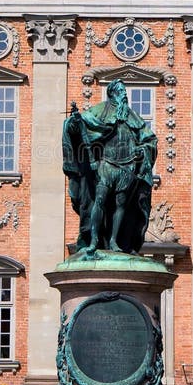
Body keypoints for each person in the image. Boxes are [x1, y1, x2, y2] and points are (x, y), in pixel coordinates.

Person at [63, 80, 157, 255]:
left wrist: (143, 150)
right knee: (99, 200)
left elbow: (149, 139)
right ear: (112, 93)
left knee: (121, 204)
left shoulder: (132, 115)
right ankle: (94, 240)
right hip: (106, 163)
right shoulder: (100, 110)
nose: (124, 93)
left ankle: (114, 241)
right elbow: (79, 125)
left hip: (127, 167)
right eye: (121, 91)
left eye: (124, 90)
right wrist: (73, 123)